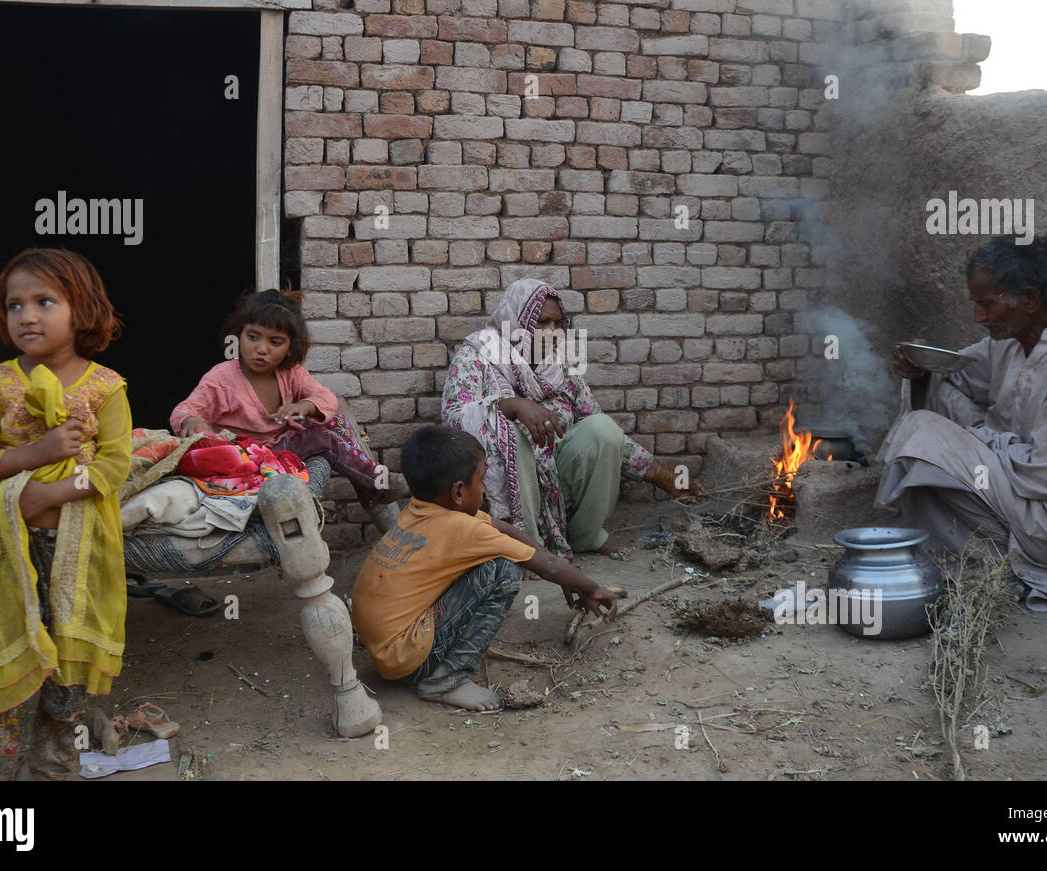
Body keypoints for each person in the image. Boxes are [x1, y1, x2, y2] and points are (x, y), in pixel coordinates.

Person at [0, 248, 132, 779]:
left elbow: (115, 465)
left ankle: (54, 761)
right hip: (6, 548)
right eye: (15, 305)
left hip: (77, 551)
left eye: (44, 301)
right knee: (8, 641)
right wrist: (36, 455)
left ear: (83, 311)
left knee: (68, 664)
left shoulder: (106, 387)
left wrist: (48, 494)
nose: (27, 316)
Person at [876, 235, 1047, 612]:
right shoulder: (1005, 344)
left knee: (923, 430)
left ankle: (1015, 564)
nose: (979, 317)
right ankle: (990, 565)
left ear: (1030, 300)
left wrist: (973, 440)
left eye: (987, 304)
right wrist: (919, 366)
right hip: (1015, 492)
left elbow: (1045, 476)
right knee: (931, 407)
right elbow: (951, 377)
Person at [351, 425, 619, 711]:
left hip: (386, 652)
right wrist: (590, 588)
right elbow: (549, 567)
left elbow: (503, 529)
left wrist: (563, 574)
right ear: (457, 492)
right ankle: (446, 679)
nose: (484, 487)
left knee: (494, 559)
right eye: (481, 479)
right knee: (503, 570)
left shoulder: (418, 509)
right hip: (406, 659)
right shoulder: (462, 529)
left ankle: (435, 665)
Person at [441, 278, 704, 562]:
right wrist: (512, 406)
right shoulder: (478, 356)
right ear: (518, 321)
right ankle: (526, 547)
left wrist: (665, 478)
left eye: (558, 323)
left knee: (602, 430)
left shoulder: (560, 367)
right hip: (499, 495)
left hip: (553, 487)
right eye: (542, 322)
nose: (552, 332)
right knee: (508, 431)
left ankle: (586, 535)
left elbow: (599, 425)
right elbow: (454, 420)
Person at [171, 288, 397, 520]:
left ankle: (376, 487)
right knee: (325, 436)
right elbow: (184, 410)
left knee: (336, 423)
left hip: (280, 447)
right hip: (243, 457)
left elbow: (327, 398)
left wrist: (305, 406)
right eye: (253, 337)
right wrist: (192, 419)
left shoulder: (291, 373)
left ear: (290, 347)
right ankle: (378, 485)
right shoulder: (221, 380)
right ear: (239, 334)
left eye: (275, 342)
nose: (261, 349)